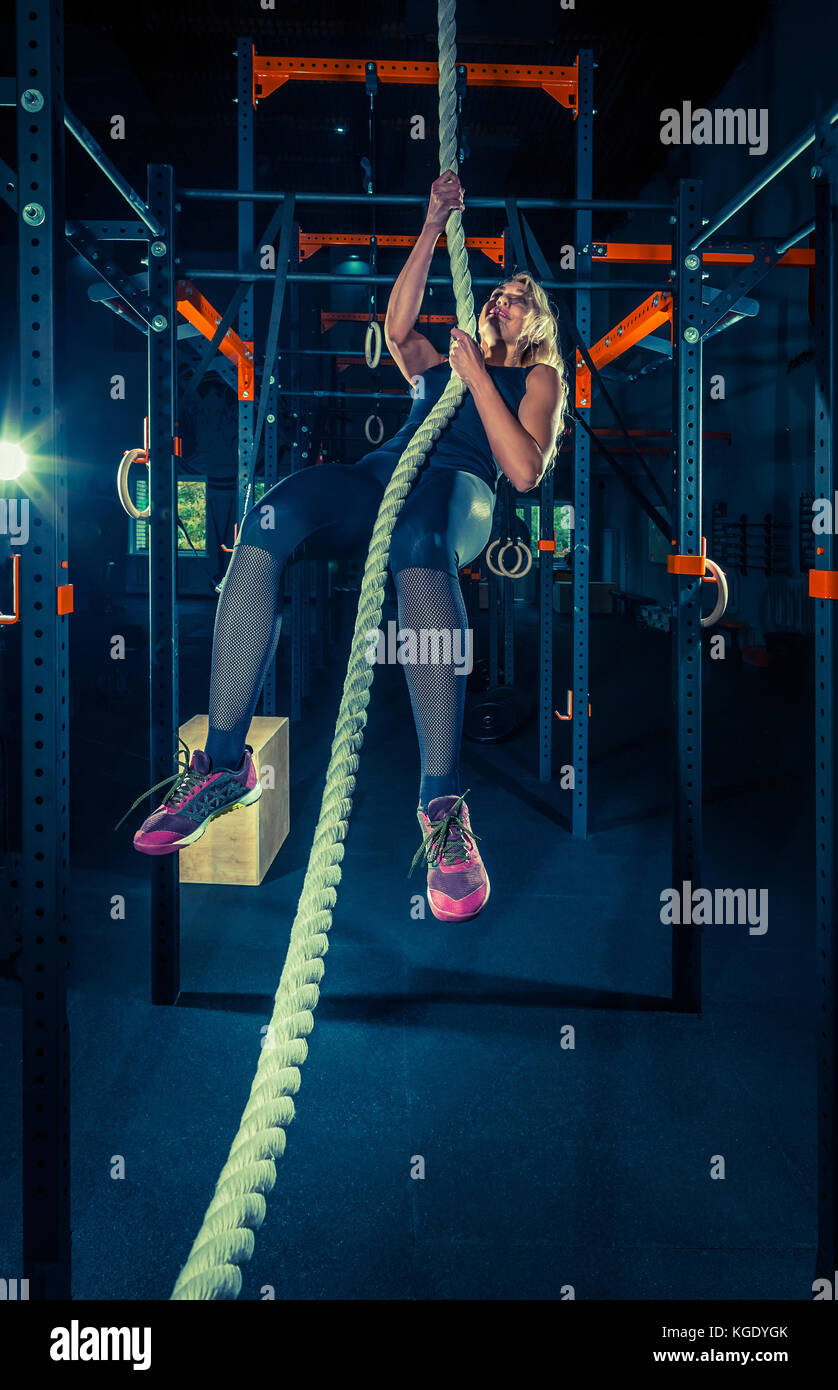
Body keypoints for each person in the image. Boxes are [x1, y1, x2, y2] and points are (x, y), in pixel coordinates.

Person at [118, 171, 568, 922]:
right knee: (273, 515)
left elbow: (523, 468)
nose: (500, 299)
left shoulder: (535, 375)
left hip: (461, 495)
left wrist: (475, 375)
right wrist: (430, 225)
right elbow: (396, 329)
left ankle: (443, 808)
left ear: (536, 321)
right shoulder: (441, 357)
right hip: (383, 475)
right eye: (497, 292)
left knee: (420, 536)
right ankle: (223, 766)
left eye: (517, 296)